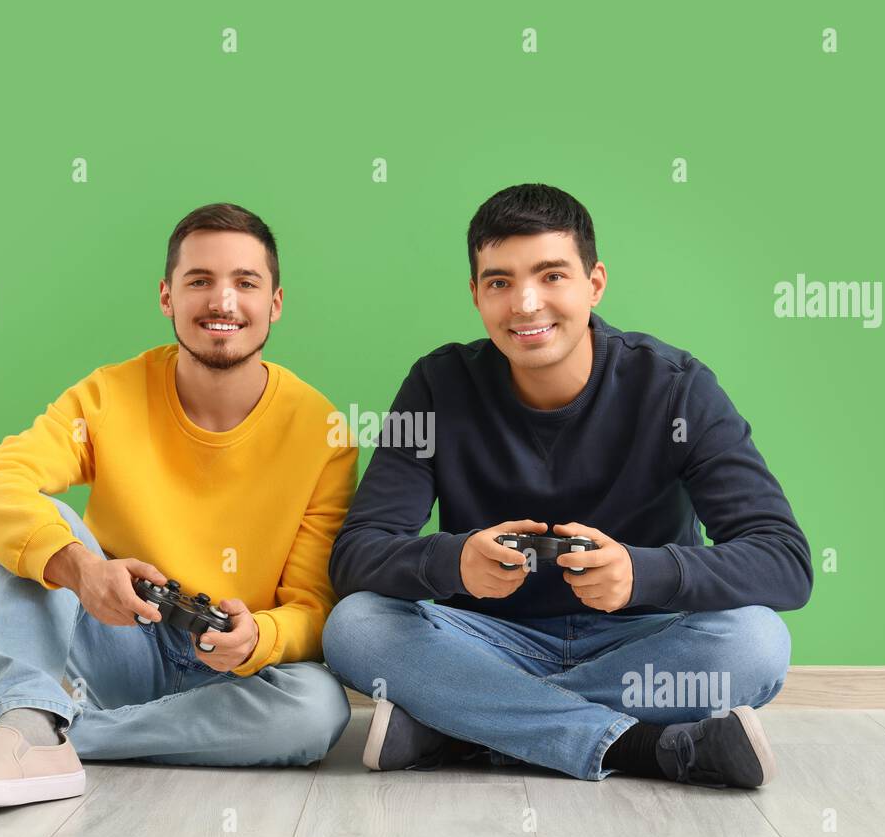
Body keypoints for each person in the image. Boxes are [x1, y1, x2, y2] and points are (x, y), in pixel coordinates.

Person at [323, 183, 812, 790]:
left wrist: (643, 572)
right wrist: (454, 561)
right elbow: (355, 555)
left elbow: (785, 562)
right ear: (475, 294)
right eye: (499, 282)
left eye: (552, 275)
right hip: (485, 639)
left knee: (757, 642)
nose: (526, 304)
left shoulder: (676, 387)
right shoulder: (437, 384)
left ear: (594, 283)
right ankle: (637, 745)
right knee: (355, 626)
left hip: (642, 640)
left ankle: (462, 729)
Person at [0, 203, 357, 811]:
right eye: (199, 281)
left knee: (318, 709)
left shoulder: (322, 431)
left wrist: (262, 636)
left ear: (275, 303)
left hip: (232, 670)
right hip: (121, 638)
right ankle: (25, 718)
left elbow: (314, 606)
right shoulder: (110, 394)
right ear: (166, 297)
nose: (222, 302)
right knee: (48, 530)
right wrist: (83, 569)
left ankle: (27, 727)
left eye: (245, 283)